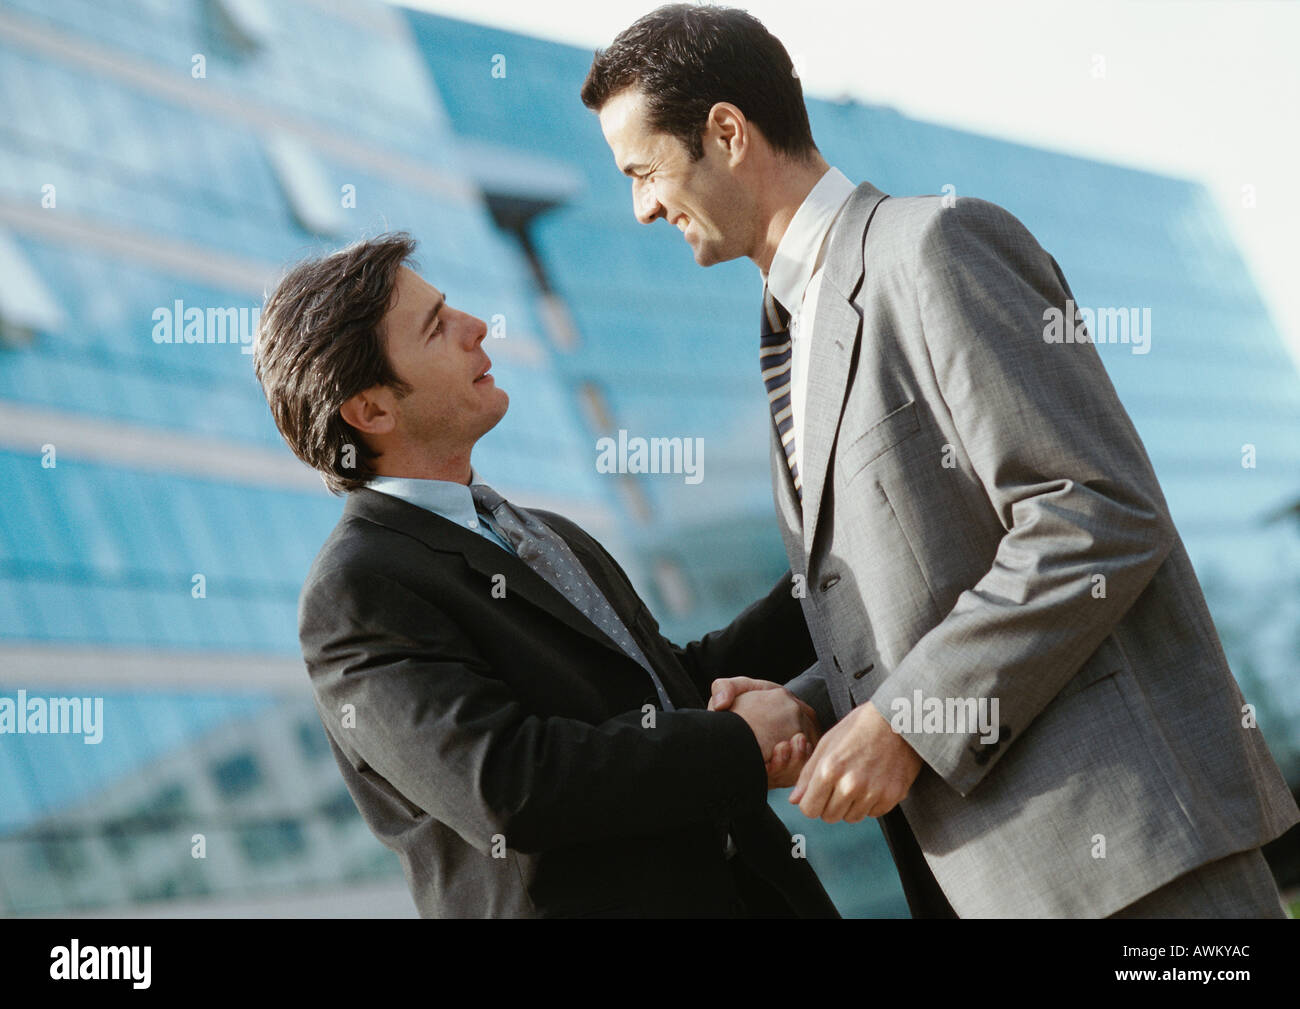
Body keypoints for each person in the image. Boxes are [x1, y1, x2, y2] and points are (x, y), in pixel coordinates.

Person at [582, 3, 1299, 917]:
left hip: (1132, 867)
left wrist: (911, 720)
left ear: (726, 132)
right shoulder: (787, 335)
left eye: (643, 170)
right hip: (995, 881)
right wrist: (813, 703)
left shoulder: (936, 247)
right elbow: (927, 578)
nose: (641, 207)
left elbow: (1093, 510)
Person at [252, 233, 837, 918]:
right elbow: (508, 782)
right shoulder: (356, 590)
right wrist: (741, 739)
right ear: (372, 409)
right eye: (438, 327)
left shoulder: (543, 533)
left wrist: (831, 579)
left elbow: (662, 687)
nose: (475, 328)